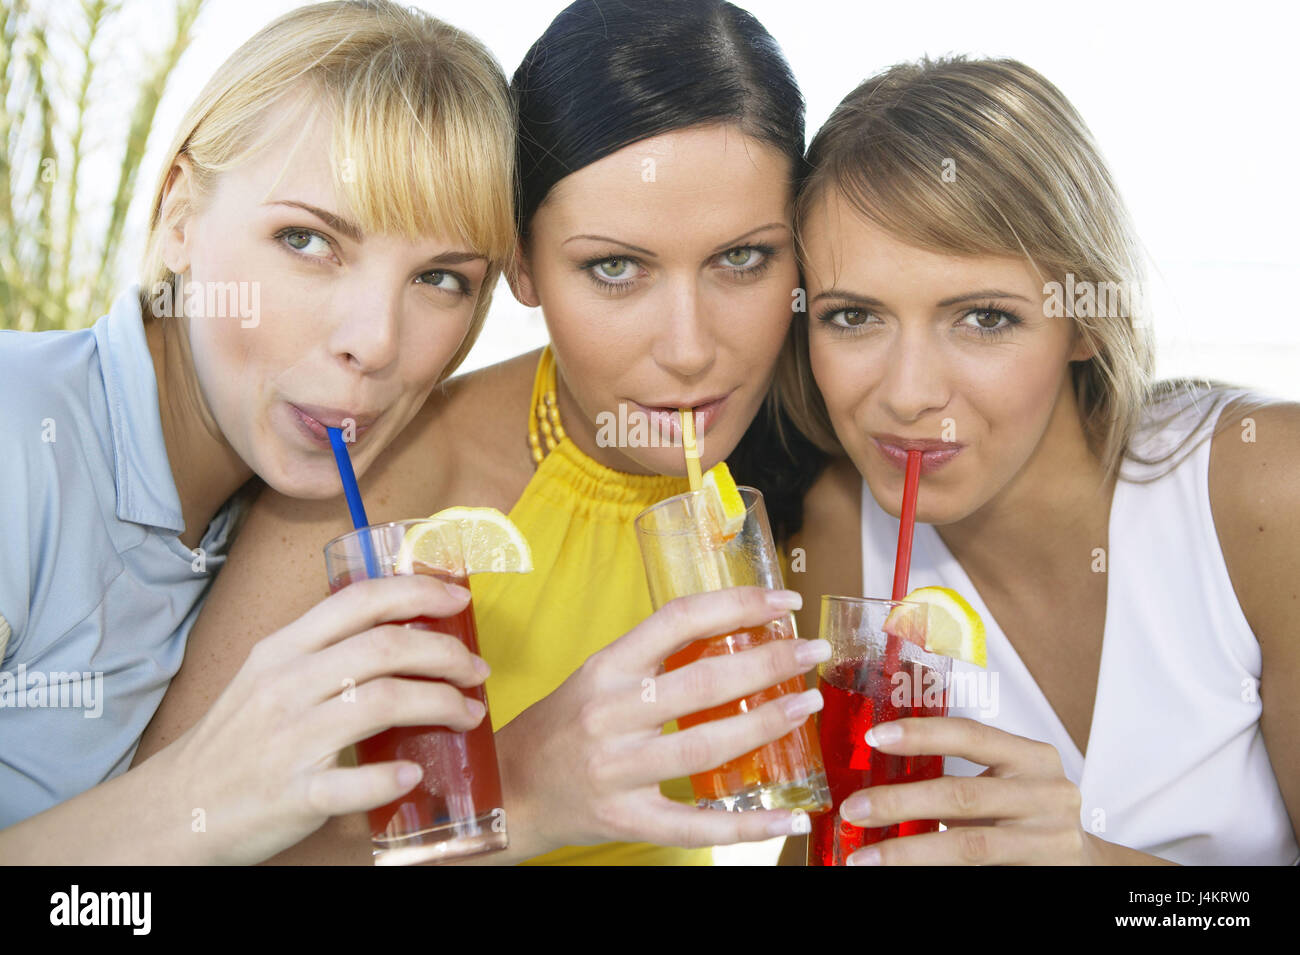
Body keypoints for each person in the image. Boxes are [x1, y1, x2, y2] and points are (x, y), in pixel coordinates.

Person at [135, 0, 829, 865]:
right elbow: (148, 868)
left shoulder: (797, 492)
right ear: (521, 266)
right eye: (614, 267)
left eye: (743, 258)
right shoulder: (377, 485)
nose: (689, 351)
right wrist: (520, 787)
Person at [0, 0, 520, 863]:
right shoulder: (19, 439)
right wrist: (194, 796)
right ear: (179, 217)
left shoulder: (281, 515)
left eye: (440, 277)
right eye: (307, 240)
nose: (377, 339)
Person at [780, 56, 1299, 865]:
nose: (909, 393)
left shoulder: (1264, 488)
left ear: (1087, 319)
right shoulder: (836, 537)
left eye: (984, 317)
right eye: (854, 316)